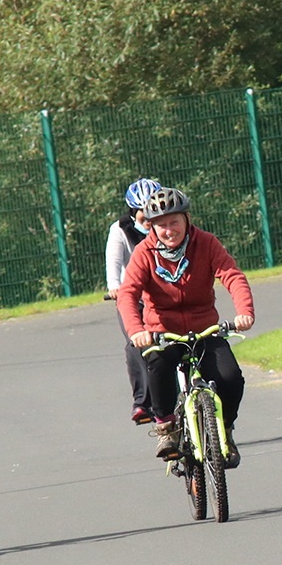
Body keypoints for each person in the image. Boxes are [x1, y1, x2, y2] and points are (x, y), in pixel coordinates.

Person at [115, 186, 255, 463]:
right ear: (152, 227)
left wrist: (244, 312)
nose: (169, 230)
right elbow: (128, 294)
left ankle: (224, 430)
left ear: (187, 219)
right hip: (163, 331)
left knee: (230, 378)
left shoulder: (206, 243)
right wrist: (137, 331)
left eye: (174, 222)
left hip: (204, 330)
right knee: (159, 365)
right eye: (162, 225)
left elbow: (232, 276)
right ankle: (167, 427)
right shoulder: (144, 253)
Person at [107, 178, 161, 424]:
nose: (148, 218)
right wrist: (115, 286)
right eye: (142, 212)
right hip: (133, 296)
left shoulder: (168, 227)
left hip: (163, 294)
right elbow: (114, 261)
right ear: (133, 211)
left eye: (152, 210)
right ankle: (143, 403)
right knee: (136, 343)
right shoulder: (120, 229)